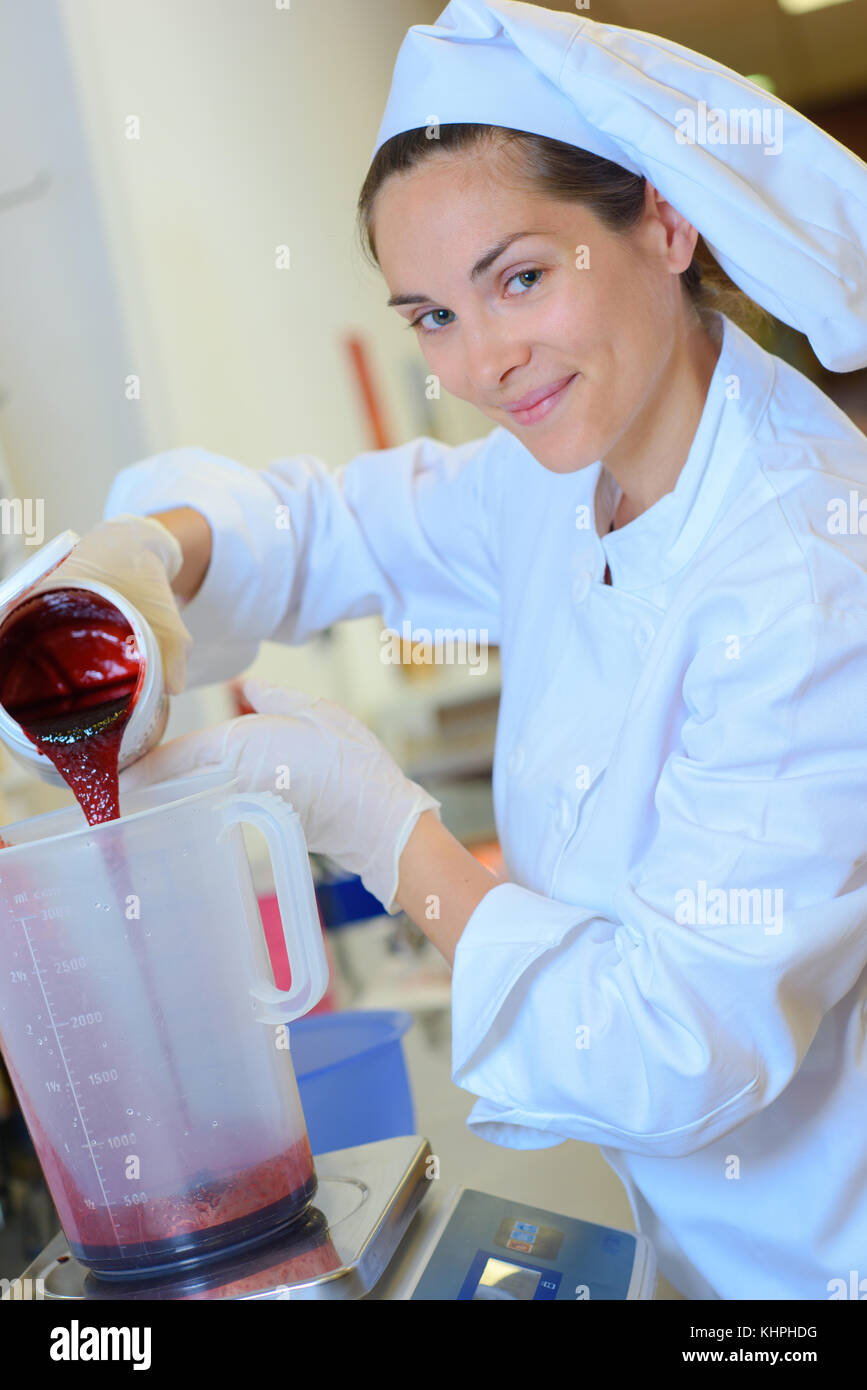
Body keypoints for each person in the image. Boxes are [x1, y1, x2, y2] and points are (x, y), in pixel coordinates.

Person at [43, 1, 867, 1300]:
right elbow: (330, 525)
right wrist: (149, 552)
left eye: (521, 277)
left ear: (663, 220)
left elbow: (676, 1048)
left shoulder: (809, 575)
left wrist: (384, 835)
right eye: (429, 314)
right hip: (673, 1248)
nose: (482, 362)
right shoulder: (556, 471)